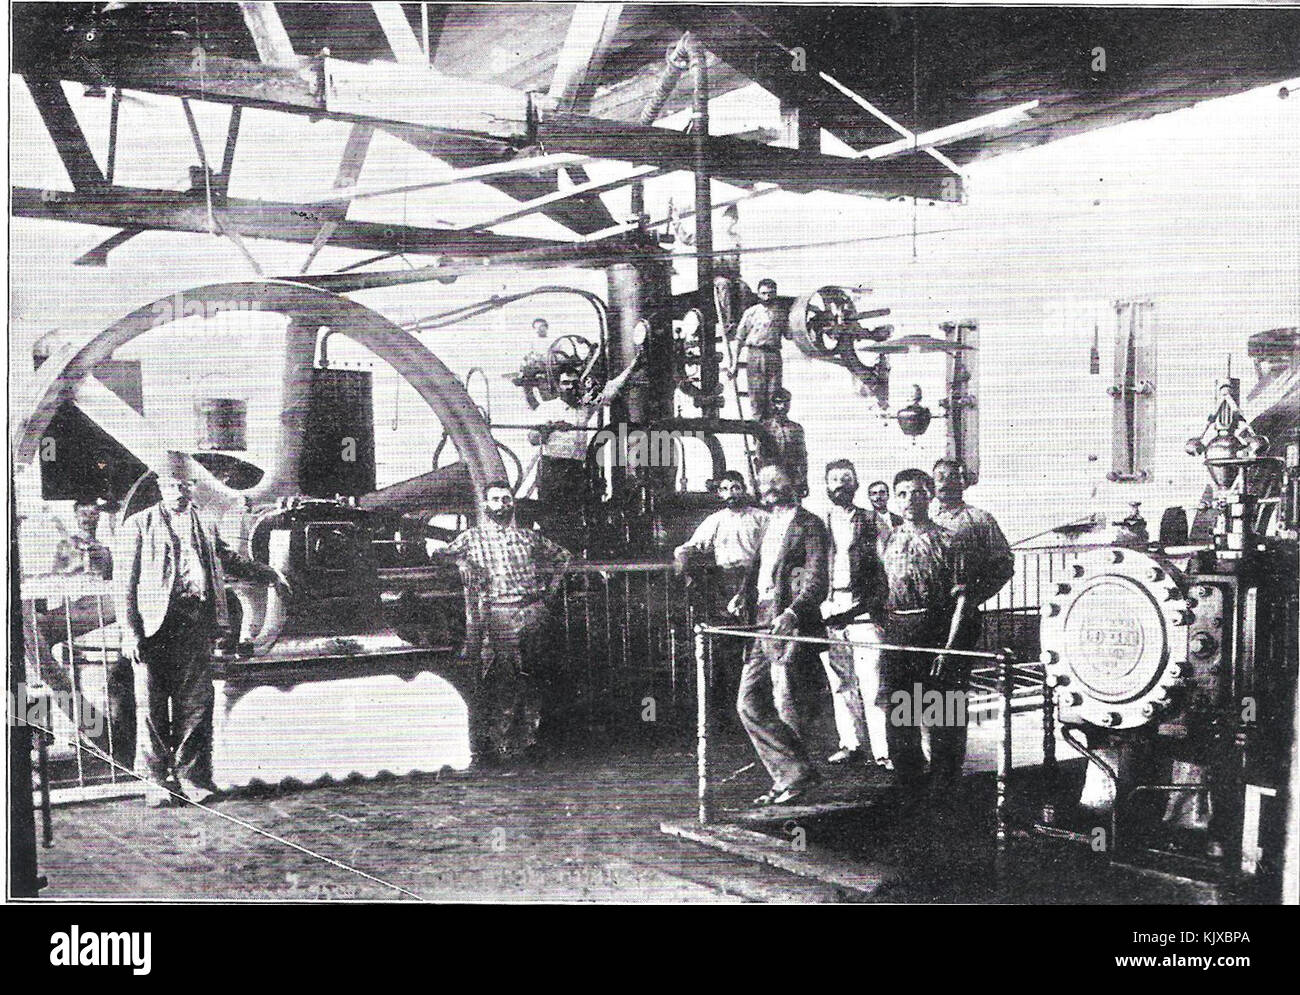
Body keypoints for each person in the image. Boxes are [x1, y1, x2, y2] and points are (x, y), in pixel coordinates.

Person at [117, 452, 292, 807]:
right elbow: (124, 584)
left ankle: (193, 779)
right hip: (153, 629)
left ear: (194, 487)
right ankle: (156, 782)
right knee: (151, 708)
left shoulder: (205, 523)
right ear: (161, 488)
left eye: (186, 485)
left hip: (195, 625)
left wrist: (270, 574)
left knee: (196, 706)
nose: (180, 491)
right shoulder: (139, 524)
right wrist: (131, 632)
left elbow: (230, 560)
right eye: (172, 486)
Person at [447, 481, 573, 764]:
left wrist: (550, 591)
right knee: (503, 678)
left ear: (512, 504)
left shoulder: (528, 537)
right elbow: (439, 553)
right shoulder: (472, 537)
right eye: (496, 500)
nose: (502, 505)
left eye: (506, 499)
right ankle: (501, 745)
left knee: (535, 678)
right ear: (485, 505)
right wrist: (462, 563)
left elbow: (563, 557)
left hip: (533, 611)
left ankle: (529, 742)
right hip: (499, 613)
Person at [728, 464, 829, 806]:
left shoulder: (809, 525)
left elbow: (816, 580)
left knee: (787, 701)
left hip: (788, 620)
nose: (768, 487)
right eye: (763, 482)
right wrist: (744, 593)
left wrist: (792, 613)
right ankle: (794, 773)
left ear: (795, 484)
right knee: (748, 702)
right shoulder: (769, 523)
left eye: (776, 481)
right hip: (761, 617)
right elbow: (760, 568)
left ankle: (794, 783)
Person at [876, 468, 967, 788]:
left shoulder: (949, 539)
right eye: (902, 493)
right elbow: (879, 591)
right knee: (901, 716)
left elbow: (962, 600)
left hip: (936, 629)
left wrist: (948, 648)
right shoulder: (887, 538)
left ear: (930, 496)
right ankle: (909, 789)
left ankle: (946, 790)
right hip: (898, 633)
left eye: (917, 492)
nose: (910, 500)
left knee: (944, 716)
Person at [930, 458, 1015, 781]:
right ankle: (926, 759)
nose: (946, 483)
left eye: (953, 477)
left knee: (951, 686)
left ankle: (949, 762)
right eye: (940, 477)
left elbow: (1003, 565)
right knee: (921, 688)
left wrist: (975, 596)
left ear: (963, 483)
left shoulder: (979, 520)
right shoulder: (921, 519)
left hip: (961, 617)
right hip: (923, 620)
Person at [673, 470, 768, 719]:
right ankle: (730, 709)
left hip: (756, 580)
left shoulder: (761, 518)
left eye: (735, 488)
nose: (731, 494)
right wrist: (688, 569)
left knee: (757, 642)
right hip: (725, 583)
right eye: (725, 489)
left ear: (744, 489)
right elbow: (687, 548)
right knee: (728, 644)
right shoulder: (715, 520)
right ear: (719, 493)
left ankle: (757, 705)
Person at [819, 460, 892, 771]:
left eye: (846, 479)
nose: (840, 485)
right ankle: (850, 744)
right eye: (834, 480)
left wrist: (874, 608)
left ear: (856, 484)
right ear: (826, 486)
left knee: (873, 681)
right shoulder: (818, 524)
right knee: (840, 681)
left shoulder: (873, 521)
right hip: (829, 607)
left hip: (862, 607)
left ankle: (884, 750)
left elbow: (886, 570)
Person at [728, 278, 788, 421]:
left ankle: (773, 436)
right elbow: (739, 339)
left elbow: (790, 334)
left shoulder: (781, 313)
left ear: (775, 294)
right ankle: (758, 437)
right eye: (764, 293)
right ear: (758, 294)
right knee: (756, 397)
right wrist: (734, 363)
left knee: (774, 397)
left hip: (773, 355)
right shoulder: (751, 312)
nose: (767, 297)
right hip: (755, 355)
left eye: (771, 293)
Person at [759, 388, 808, 497]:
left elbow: (802, 457)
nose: (782, 406)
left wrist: (804, 481)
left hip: (792, 477)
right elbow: (760, 456)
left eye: (786, 403)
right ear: (773, 405)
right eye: (778, 402)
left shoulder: (796, 428)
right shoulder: (765, 428)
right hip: (772, 478)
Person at [867, 479, 902, 546]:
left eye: (882, 493)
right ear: (869, 497)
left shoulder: (899, 520)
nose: (878, 497)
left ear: (888, 495)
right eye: (874, 494)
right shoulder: (864, 520)